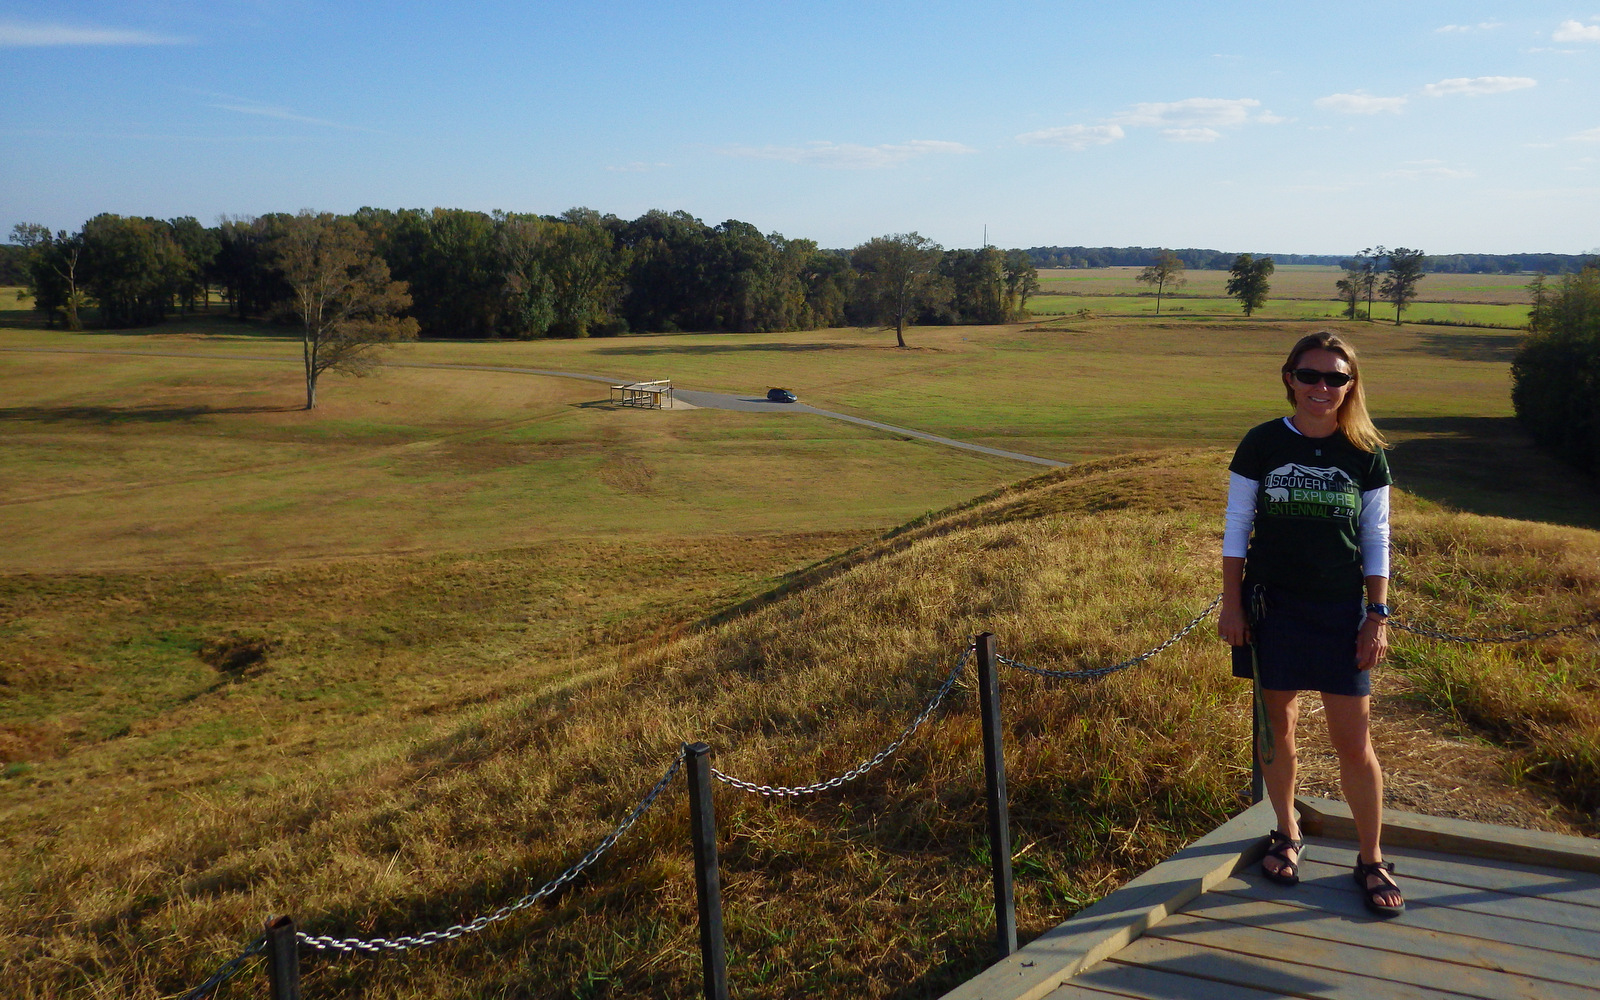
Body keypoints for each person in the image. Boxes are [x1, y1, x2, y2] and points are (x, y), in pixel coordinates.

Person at [1219, 331, 1404, 917]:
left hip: (1341, 609)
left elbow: (1376, 537)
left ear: (1352, 384)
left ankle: (1371, 857)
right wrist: (1232, 601)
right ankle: (1286, 831)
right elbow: (1236, 528)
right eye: (1310, 375)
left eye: (1336, 377)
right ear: (1289, 378)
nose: (1321, 388)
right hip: (1274, 607)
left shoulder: (1366, 451)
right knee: (1280, 727)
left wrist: (1376, 615)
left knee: (1355, 740)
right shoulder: (1262, 443)